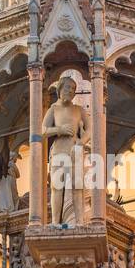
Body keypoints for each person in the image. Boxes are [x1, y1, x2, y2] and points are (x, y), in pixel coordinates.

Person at [43, 73, 88, 226]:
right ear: (60, 89)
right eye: (68, 87)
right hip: (58, 151)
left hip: (75, 151)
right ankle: (56, 222)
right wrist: (59, 129)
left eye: (73, 89)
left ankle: (80, 222)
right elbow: (42, 130)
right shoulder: (53, 109)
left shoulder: (79, 110)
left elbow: (91, 129)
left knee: (77, 187)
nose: (71, 91)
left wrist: (81, 142)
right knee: (57, 187)